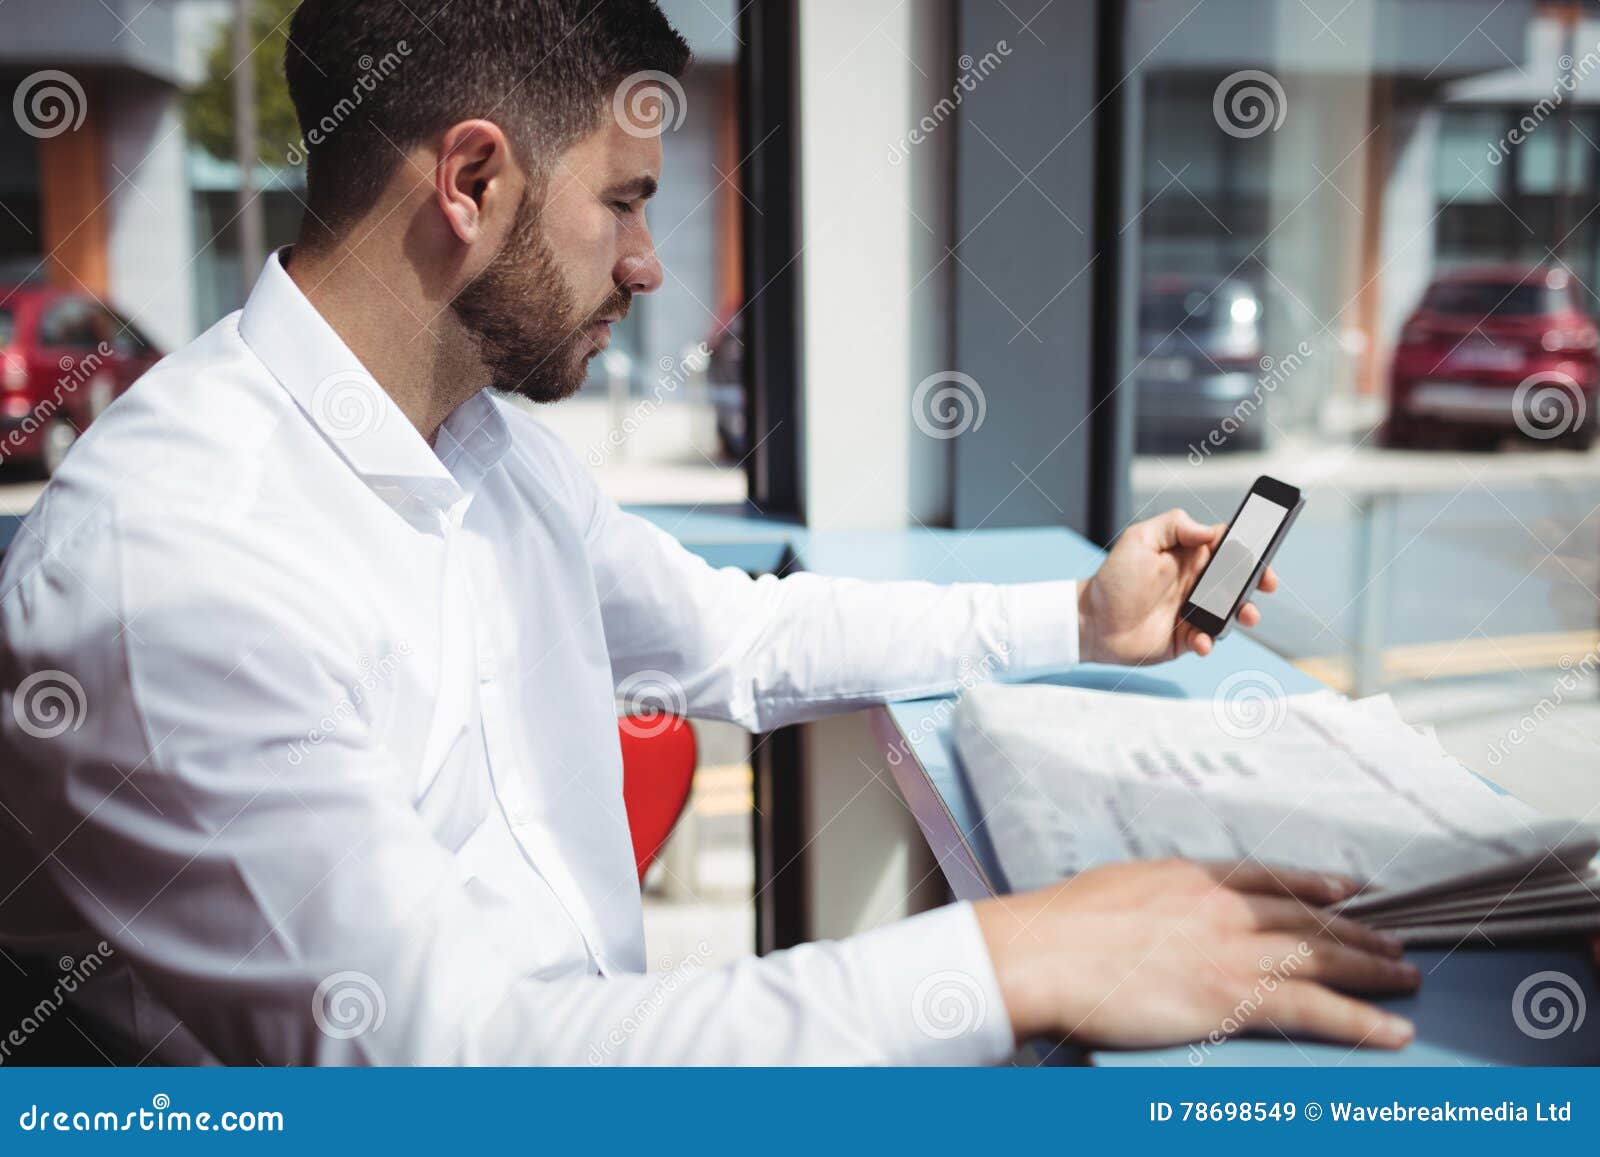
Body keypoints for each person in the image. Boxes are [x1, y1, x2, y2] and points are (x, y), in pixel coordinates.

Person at [0, 0, 1418, 1065]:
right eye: (622, 200)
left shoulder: (487, 448)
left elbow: (738, 632)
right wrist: (1013, 957)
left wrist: (1076, 621)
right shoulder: (178, 570)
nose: (648, 261)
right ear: (472, 182)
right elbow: (458, 1065)